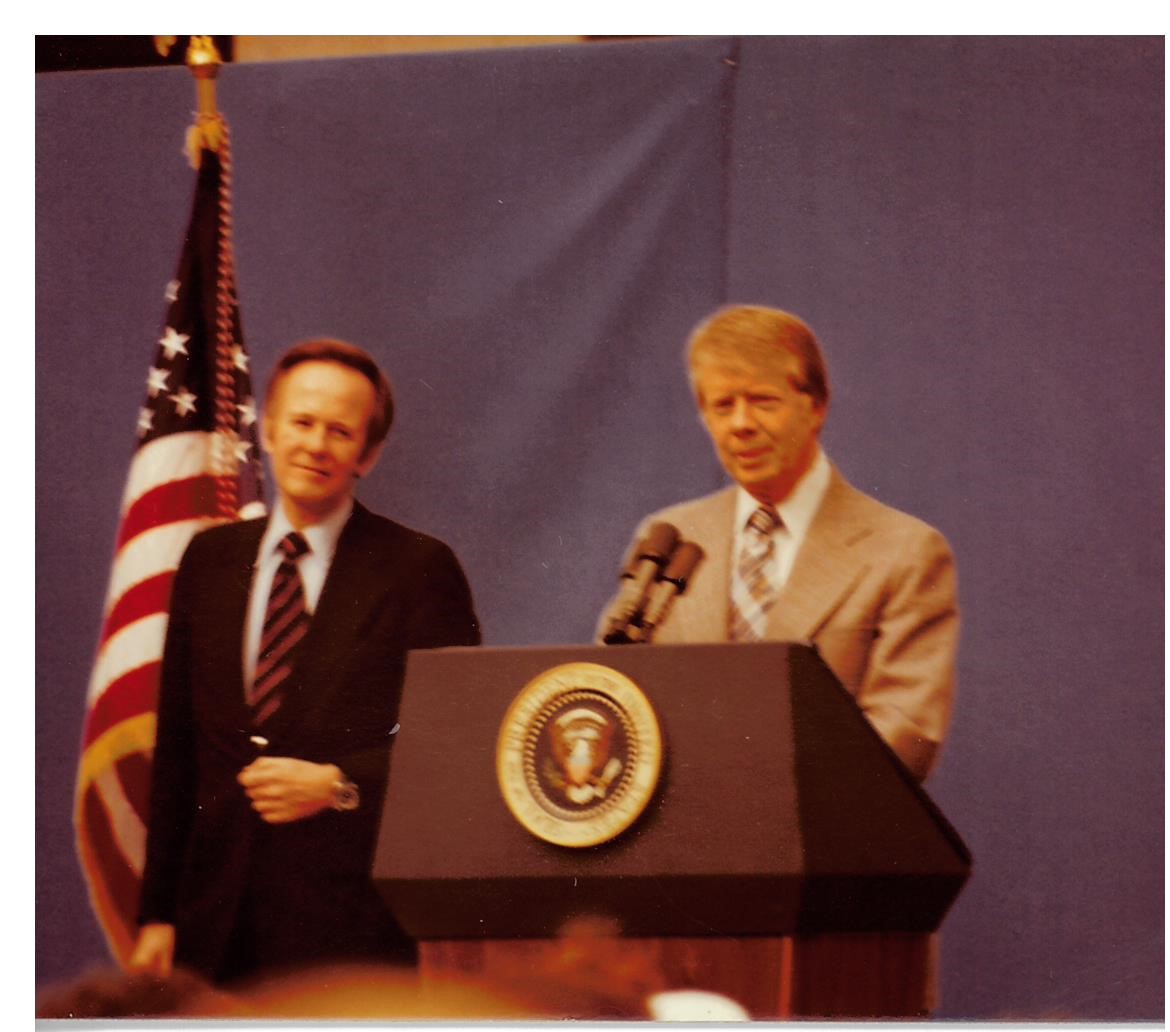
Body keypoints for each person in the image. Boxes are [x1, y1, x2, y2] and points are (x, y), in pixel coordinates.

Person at [129, 338, 481, 984]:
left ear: (368, 455)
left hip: (354, 933)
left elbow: (458, 747)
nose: (316, 445)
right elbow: (179, 751)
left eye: (341, 432)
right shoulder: (208, 562)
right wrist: (157, 916)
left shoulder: (417, 570)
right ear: (267, 428)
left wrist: (340, 786)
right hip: (211, 930)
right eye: (302, 422)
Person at [600, 305, 957, 782]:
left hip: (825, 841)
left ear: (817, 407)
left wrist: (758, 796)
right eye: (723, 405)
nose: (741, 424)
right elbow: (612, 697)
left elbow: (906, 732)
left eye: (763, 400)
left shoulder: (905, 553)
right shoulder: (670, 539)